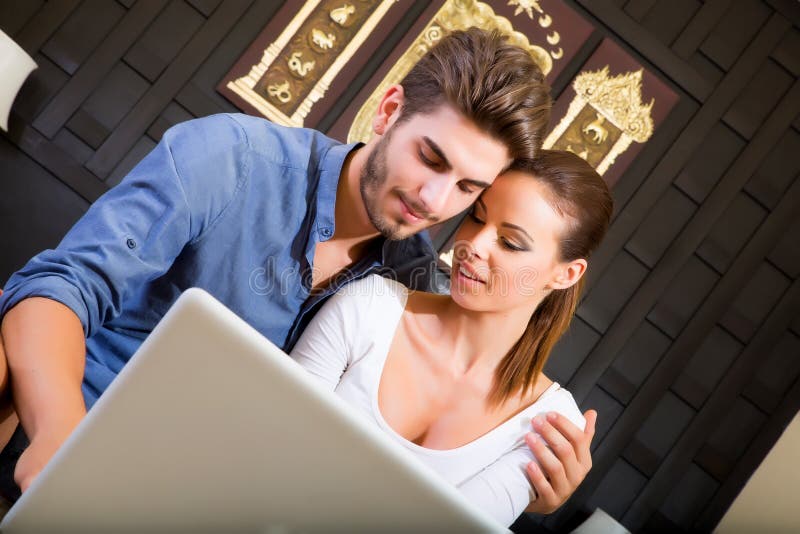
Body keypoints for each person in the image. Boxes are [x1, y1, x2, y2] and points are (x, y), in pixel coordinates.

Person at [0, 28, 594, 511]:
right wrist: (61, 437)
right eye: (430, 158)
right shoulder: (229, 159)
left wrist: (533, 494)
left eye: (467, 186)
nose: (435, 201)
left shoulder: (413, 286)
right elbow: (58, 289)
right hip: (58, 434)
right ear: (388, 112)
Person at [290, 151, 612, 526]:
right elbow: (271, 436)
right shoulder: (369, 306)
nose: (473, 244)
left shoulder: (549, 425)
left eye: (509, 242)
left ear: (566, 274)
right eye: (476, 217)